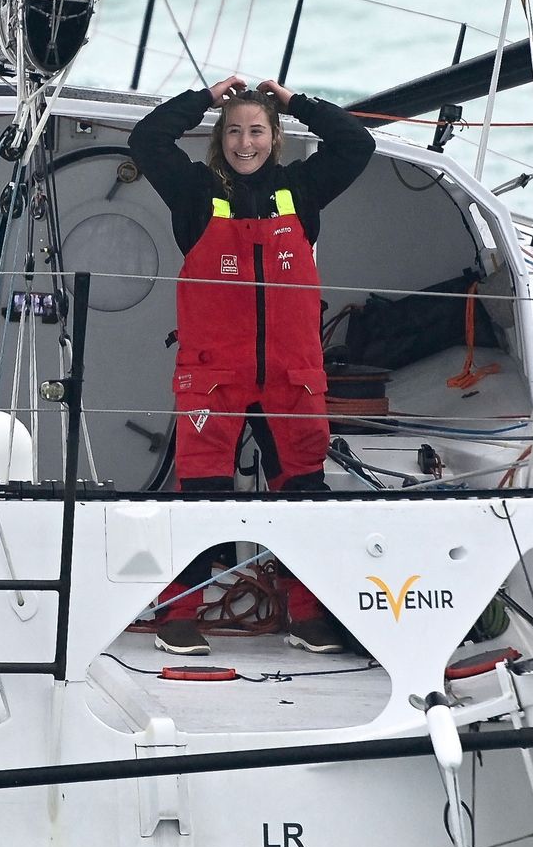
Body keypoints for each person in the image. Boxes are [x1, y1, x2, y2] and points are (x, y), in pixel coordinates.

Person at [128, 74, 375, 654]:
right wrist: (205, 98)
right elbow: (148, 140)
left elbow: (355, 144)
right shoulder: (193, 191)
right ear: (219, 138)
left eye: (257, 130)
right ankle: (179, 612)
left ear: (275, 137)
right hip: (216, 375)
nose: (245, 143)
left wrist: (295, 101)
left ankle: (308, 614)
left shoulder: (302, 189)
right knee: (202, 492)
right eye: (234, 130)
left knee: (305, 491)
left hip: (292, 377)